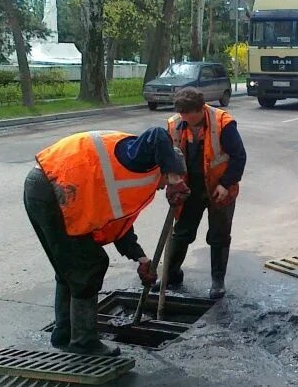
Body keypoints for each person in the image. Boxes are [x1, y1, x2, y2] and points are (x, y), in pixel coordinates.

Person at [24, 127, 190, 356]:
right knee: (90, 265)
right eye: (170, 178)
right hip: (55, 186)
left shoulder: (135, 182)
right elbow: (157, 134)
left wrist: (141, 259)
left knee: (68, 268)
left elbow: (119, 226)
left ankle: (65, 333)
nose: (163, 187)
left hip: (47, 186)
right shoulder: (141, 159)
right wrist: (174, 180)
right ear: (164, 167)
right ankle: (84, 342)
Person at [159, 87, 247, 299]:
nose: (184, 119)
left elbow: (239, 157)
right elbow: (167, 160)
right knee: (182, 233)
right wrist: (173, 184)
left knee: (219, 235)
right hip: (191, 189)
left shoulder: (223, 123)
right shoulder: (175, 125)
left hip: (220, 190)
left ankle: (218, 280)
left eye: (188, 115)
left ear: (200, 109)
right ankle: (170, 275)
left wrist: (225, 184)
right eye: (181, 114)